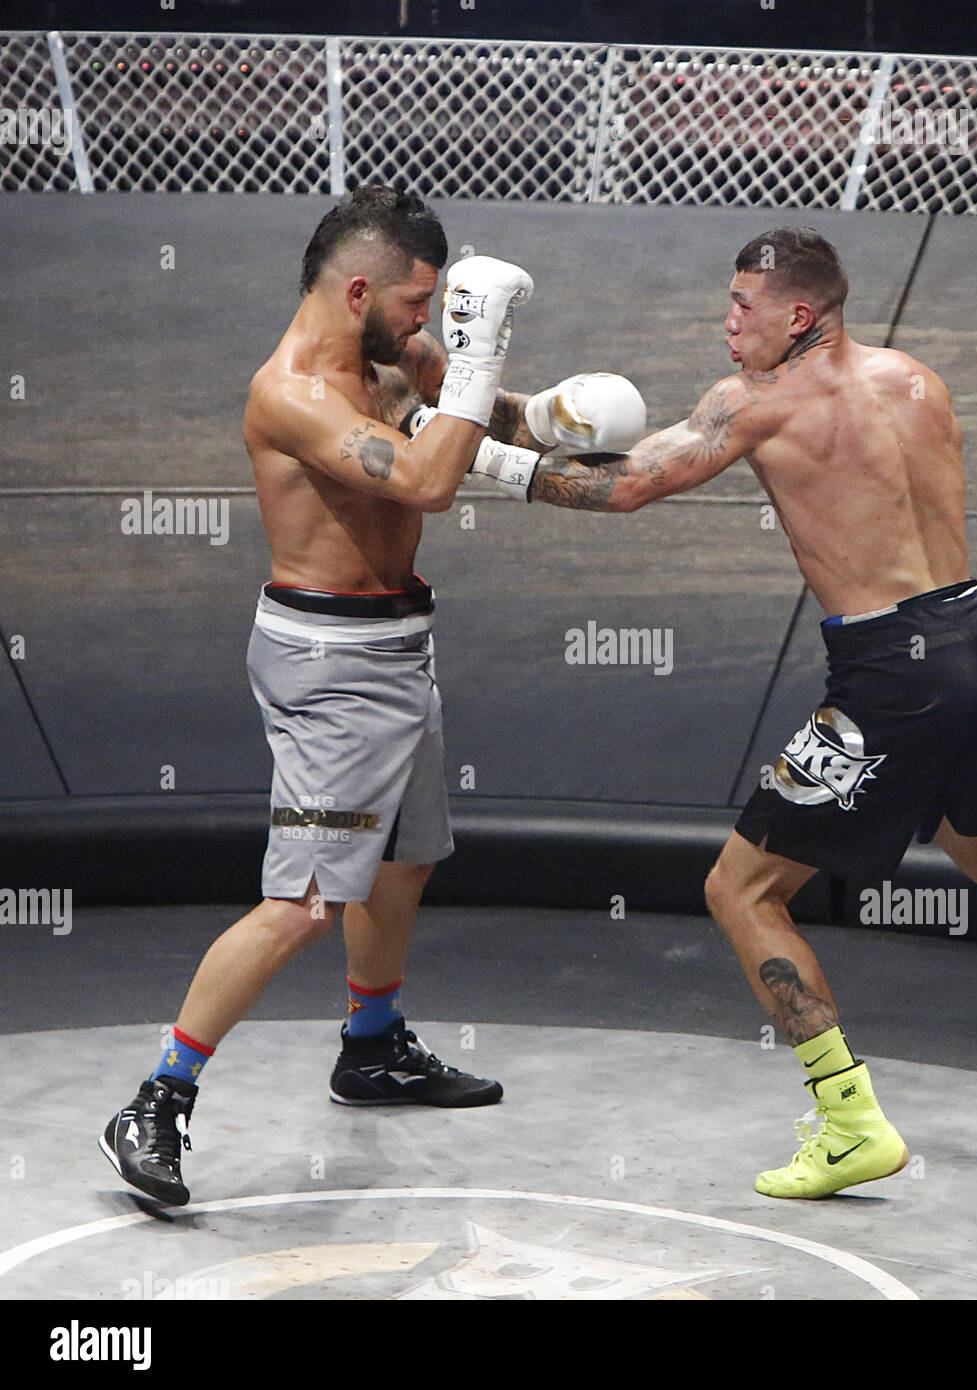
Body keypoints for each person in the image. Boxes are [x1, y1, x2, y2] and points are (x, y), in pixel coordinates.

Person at [470, 225, 977, 1200]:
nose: (725, 325)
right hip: (971, 644)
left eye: (740, 308)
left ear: (798, 315)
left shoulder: (756, 402)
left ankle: (849, 1123)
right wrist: (508, 414)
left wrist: (479, 463)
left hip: (889, 677)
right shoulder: (915, 379)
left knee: (740, 890)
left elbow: (625, 485)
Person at [99, 185, 565, 1207]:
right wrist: (475, 364)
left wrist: (562, 416)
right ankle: (157, 1097)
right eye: (415, 304)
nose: (425, 325)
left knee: (401, 863)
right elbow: (425, 480)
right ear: (359, 288)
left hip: (398, 645)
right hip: (333, 671)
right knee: (306, 901)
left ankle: (371, 1044)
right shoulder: (293, 393)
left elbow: (484, 417)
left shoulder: (385, 357)